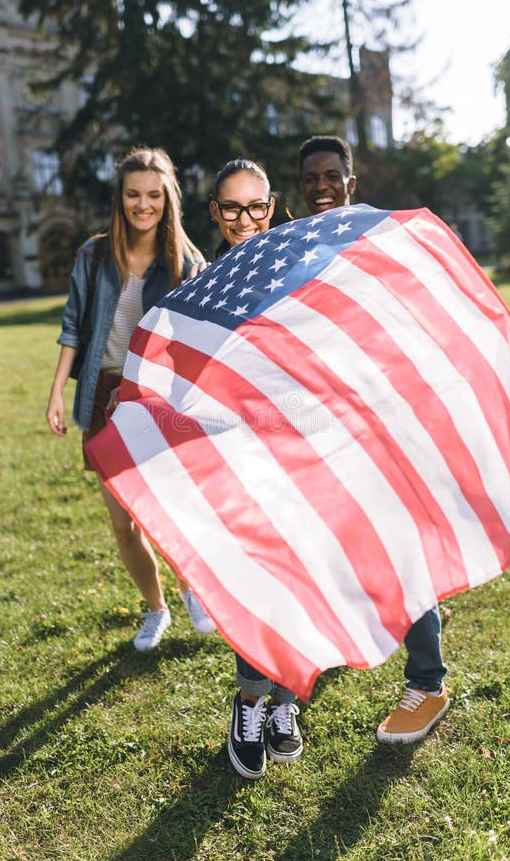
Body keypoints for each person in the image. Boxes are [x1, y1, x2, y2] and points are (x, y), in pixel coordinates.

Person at [298, 135, 450, 744]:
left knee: (401, 546)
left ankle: (429, 683)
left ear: (350, 182)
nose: (320, 186)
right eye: (309, 177)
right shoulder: (294, 246)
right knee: (334, 541)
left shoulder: (376, 236)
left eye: (330, 174)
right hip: (319, 422)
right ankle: (341, 641)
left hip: (383, 419)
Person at [46, 146, 216, 652]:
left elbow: (198, 338)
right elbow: (75, 325)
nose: (143, 205)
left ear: (168, 199)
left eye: (153, 195)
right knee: (123, 521)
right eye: (133, 195)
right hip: (102, 392)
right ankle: (156, 608)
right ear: (120, 198)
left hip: (155, 396)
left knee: (169, 507)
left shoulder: (186, 262)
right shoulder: (93, 255)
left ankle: (192, 588)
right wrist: (57, 390)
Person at [209, 158, 303, 780]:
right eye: (233, 208)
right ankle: (248, 703)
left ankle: (286, 702)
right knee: (255, 585)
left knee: (299, 582)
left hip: (301, 448)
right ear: (215, 213)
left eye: (258, 205)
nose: (247, 219)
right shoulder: (204, 283)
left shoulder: (301, 263)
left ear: (273, 204)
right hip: (238, 454)